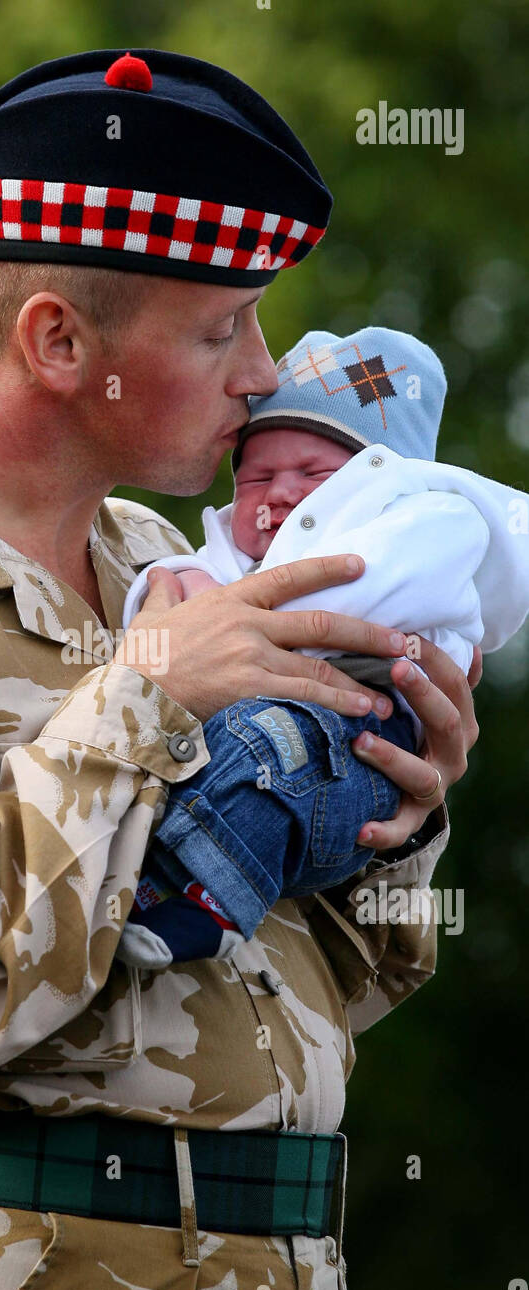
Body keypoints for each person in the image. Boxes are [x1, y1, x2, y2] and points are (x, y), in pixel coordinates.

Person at [0, 49, 480, 1290]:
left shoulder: (164, 562)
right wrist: (145, 699)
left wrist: (397, 812)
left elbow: (322, 988)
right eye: (225, 325)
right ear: (59, 340)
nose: (264, 373)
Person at [117, 326, 528, 968]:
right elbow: (176, 593)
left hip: (363, 725)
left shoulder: (432, 527)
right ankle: (161, 883)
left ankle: (211, 901)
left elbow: (371, 592)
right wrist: (177, 587)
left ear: (379, 486)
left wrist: (235, 622)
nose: (279, 493)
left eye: (313, 474)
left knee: (275, 752)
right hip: (272, 721)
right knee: (240, 755)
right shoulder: (220, 549)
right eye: (256, 477)